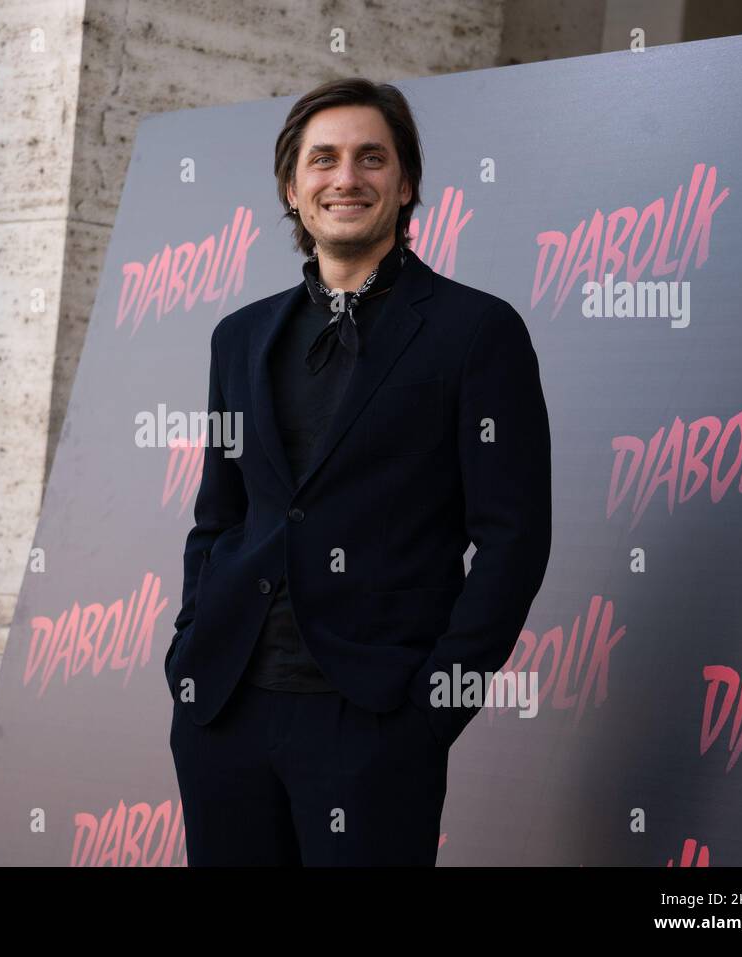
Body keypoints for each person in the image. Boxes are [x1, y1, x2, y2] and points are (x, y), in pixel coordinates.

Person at [164, 77, 553, 866]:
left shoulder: (477, 331)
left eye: (371, 158)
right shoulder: (238, 337)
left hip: (375, 718)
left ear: (405, 184)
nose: (347, 178)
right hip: (225, 709)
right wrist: (187, 654)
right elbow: (219, 514)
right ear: (292, 186)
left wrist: (432, 708)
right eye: (324, 159)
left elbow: (514, 539)